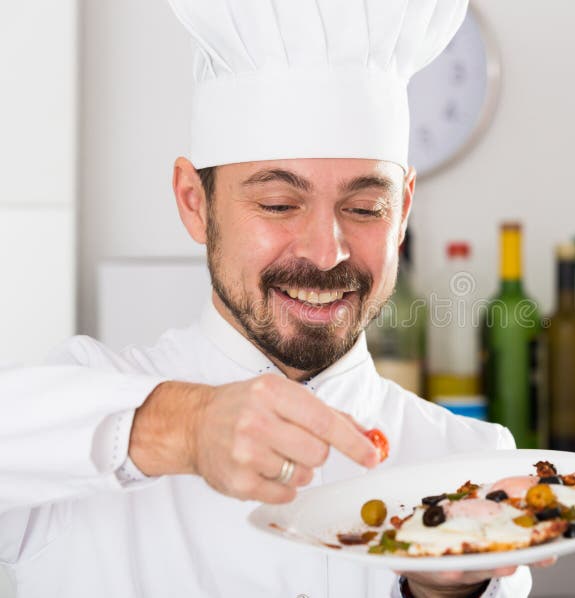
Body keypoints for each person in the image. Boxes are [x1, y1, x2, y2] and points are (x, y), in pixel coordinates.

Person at [0, 1, 540, 596]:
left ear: (403, 210)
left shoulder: (468, 466)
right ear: (194, 203)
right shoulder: (71, 415)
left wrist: (443, 592)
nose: (326, 251)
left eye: (365, 209)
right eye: (279, 204)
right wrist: (182, 427)